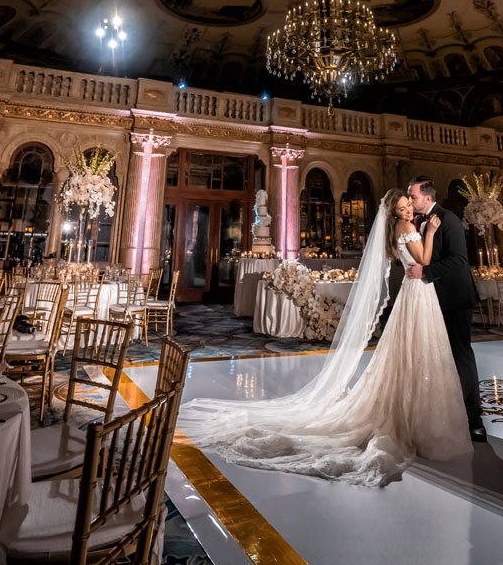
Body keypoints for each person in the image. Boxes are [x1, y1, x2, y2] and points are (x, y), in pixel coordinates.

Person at [177, 188, 471, 486]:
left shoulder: (398, 227)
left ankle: (411, 412)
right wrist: (431, 233)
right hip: (418, 291)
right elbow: (425, 258)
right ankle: (417, 418)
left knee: (410, 349)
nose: (409, 209)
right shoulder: (408, 227)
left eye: (410, 203)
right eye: (405, 205)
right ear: (395, 211)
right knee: (418, 349)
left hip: (415, 293)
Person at [406, 176, 486, 442]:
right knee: (438, 357)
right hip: (432, 300)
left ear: (427, 198)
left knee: (460, 355)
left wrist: (426, 271)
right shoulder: (416, 222)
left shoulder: (448, 218)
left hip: (455, 298)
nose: (410, 200)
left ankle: (475, 419)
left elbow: (459, 261)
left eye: (413, 196)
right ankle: (445, 414)